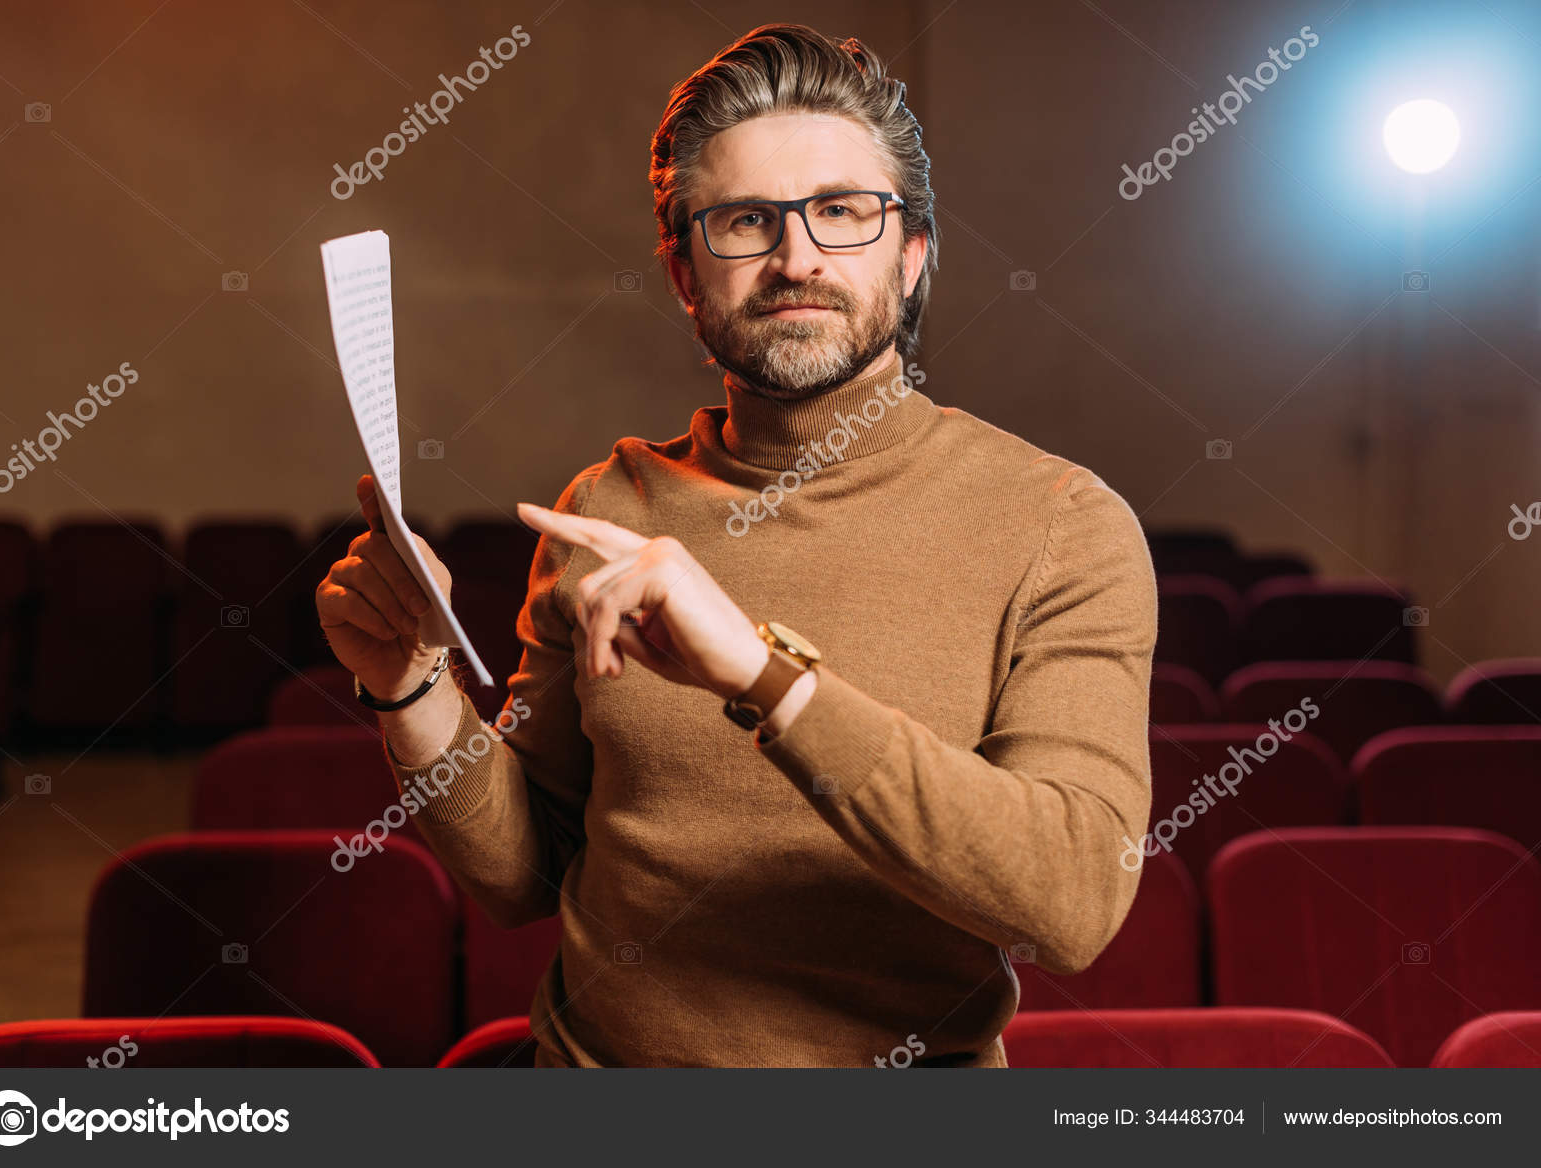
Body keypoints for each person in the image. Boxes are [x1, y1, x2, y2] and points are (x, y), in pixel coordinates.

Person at [315, 22, 1157, 1067]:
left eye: (843, 213)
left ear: (912, 254)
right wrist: (411, 689)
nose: (797, 258)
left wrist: (765, 676)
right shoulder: (606, 506)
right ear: (683, 272)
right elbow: (521, 874)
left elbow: (1071, 901)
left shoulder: (1062, 526)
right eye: (747, 222)